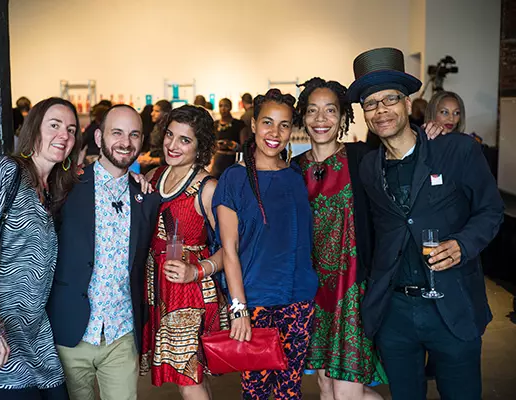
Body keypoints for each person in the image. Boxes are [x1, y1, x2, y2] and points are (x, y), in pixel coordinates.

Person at [347, 47, 504, 400]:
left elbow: (491, 211)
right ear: (364, 114)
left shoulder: (456, 151)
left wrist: (463, 244)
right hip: (395, 314)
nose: (381, 109)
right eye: (371, 104)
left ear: (407, 103)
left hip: (452, 306)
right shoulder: (368, 168)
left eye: (390, 99)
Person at [0, 97, 81, 399]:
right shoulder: (7, 171)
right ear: (34, 129)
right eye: (55, 125)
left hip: (34, 328)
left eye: (71, 130)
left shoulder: (55, 187)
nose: (64, 135)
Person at [47, 104, 160, 400]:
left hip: (121, 333)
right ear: (99, 137)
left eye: (134, 134)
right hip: (71, 330)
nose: (126, 142)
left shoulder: (146, 198)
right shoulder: (66, 185)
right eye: (117, 133)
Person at [213, 89, 318, 399]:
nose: (275, 133)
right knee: (256, 392)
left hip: (298, 299)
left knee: (290, 392)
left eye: (284, 125)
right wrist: (238, 309)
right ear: (254, 124)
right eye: (268, 123)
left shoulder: (297, 176)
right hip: (255, 303)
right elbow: (229, 250)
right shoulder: (234, 179)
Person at [293, 78, 385, 400]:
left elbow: (404, 151)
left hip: (352, 293)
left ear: (343, 116)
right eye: (313, 111)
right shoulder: (293, 169)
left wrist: (432, 135)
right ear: (302, 116)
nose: (321, 119)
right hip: (313, 295)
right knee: (325, 387)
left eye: (330, 110)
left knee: (348, 392)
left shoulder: (362, 158)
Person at [141, 105, 228, 400]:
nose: (172, 145)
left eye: (184, 140)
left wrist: (198, 269)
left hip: (191, 291)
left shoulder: (208, 187)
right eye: (169, 135)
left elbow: (232, 247)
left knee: (188, 378)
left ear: (200, 146)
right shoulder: (153, 176)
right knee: (193, 379)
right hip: (160, 287)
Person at [211, 98, 245, 178]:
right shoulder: (214, 125)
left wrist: (232, 145)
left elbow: (244, 147)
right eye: (220, 106)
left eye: (226, 106)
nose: (223, 109)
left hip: (232, 162)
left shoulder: (238, 124)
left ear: (230, 107)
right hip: (217, 163)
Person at [138, 100, 172, 173]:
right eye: (153, 110)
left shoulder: (168, 130)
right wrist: (147, 155)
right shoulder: (157, 126)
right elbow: (155, 147)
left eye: (157, 111)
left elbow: (170, 154)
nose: (152, 114)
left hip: (162, 168)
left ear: (166, 113)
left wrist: (151, 160)